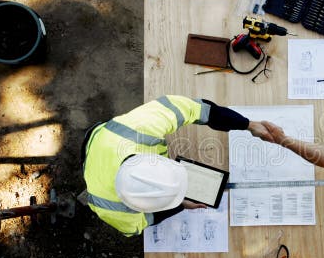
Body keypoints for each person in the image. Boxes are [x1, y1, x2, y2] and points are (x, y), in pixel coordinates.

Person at [82, 96, 273, 236]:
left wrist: (248, 124)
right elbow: (144, 221)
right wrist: (179, 206)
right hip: (96, 158)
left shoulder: (141, 127)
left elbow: (200, 109)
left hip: (101, 139)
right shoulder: (114, 213)